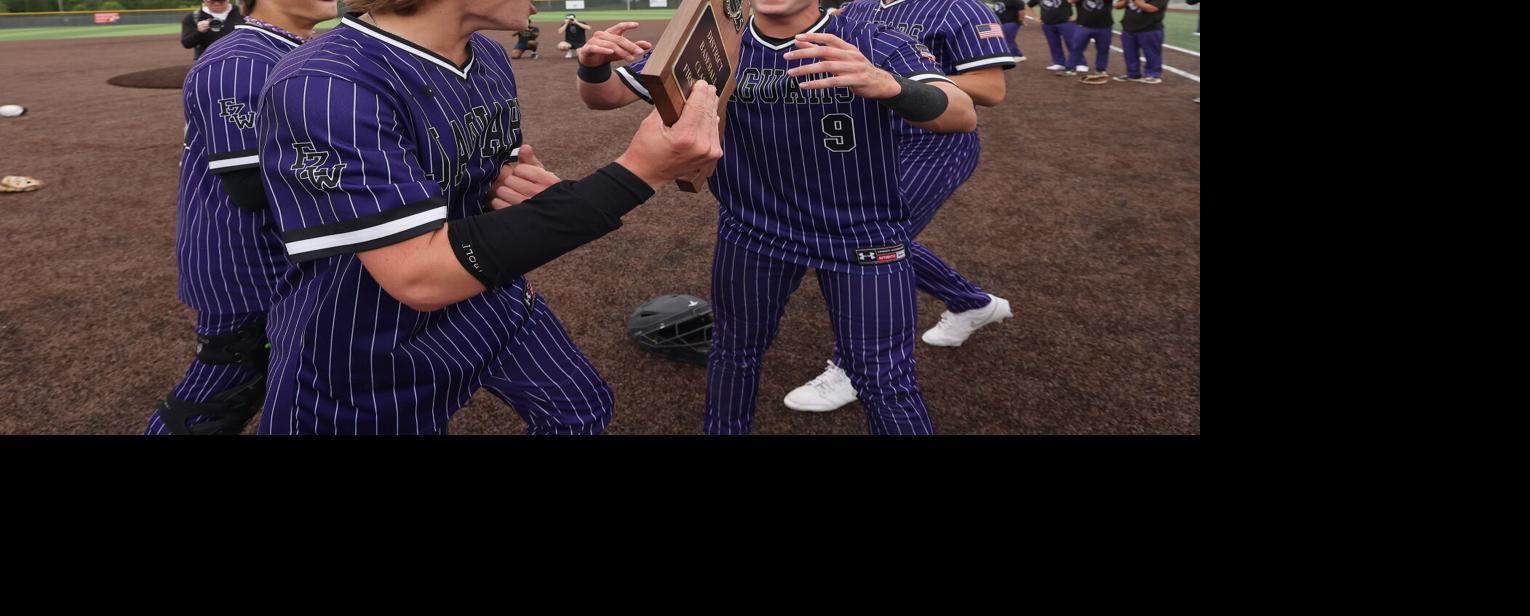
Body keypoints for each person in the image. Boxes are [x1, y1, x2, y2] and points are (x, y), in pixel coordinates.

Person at [253, 0, 722, 435]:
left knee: (581, 409)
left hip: (490, 297)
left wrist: (513, 182)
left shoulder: (489, 57)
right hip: (364, 339)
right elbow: (419, 277)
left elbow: (486, 169)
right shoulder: (325, 81)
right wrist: (637, 173)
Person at [578, 0, 977, 434]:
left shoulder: (874, 40)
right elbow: (606, 97)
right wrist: (594, 67)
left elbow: (962, 113)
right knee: (734, 352)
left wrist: (887, 83)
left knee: (884, 379)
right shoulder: (714, 43)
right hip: (753, 230)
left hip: (863, 235)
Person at [783, 0, 1014, 413]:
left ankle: (853, 367)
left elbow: (991, 89)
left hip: (933, 146)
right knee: (854, 237)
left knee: (860, 242)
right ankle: (970, 302)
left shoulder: (959, 8)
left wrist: (889, 77)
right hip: (876, 140)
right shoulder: (858, 6)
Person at [147, 0, 339, 435]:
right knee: (220, 397)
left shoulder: (297, 48)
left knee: (296, 384)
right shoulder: (240, 60)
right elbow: (253, 187)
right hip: (244, 258)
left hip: (284, 253)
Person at [1114, 0, 1165, 83]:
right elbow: (1117, 6)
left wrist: (1135, 1)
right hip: (1129, 27)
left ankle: (1152, 74)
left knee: (1151, 53)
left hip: (1150, 28)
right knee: (1129, 53)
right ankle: (1132, 74)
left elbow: (1152, 8)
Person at [182, 0, 247, 61]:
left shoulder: (244, 13)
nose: (216, 3)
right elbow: (187, 44)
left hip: (240, 59)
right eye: (212, 1)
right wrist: (199, 32)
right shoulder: (194, 17)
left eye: (221, 0)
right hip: (207, 62)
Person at [1068, 0, 1112, 80]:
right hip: (1084, 25)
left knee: (1103, 49)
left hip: (1104, 25)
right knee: (1076, 47)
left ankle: (1100, 69)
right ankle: (1071, 68)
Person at [1030, 0, 1074, 73]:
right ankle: (1059, 63)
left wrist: (1078, 15)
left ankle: (1079, 63)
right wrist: (1035, 16)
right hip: (1047, 24)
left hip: (1065, 22)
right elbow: (1028, 5)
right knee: (1053, 44)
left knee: (1071, 43)